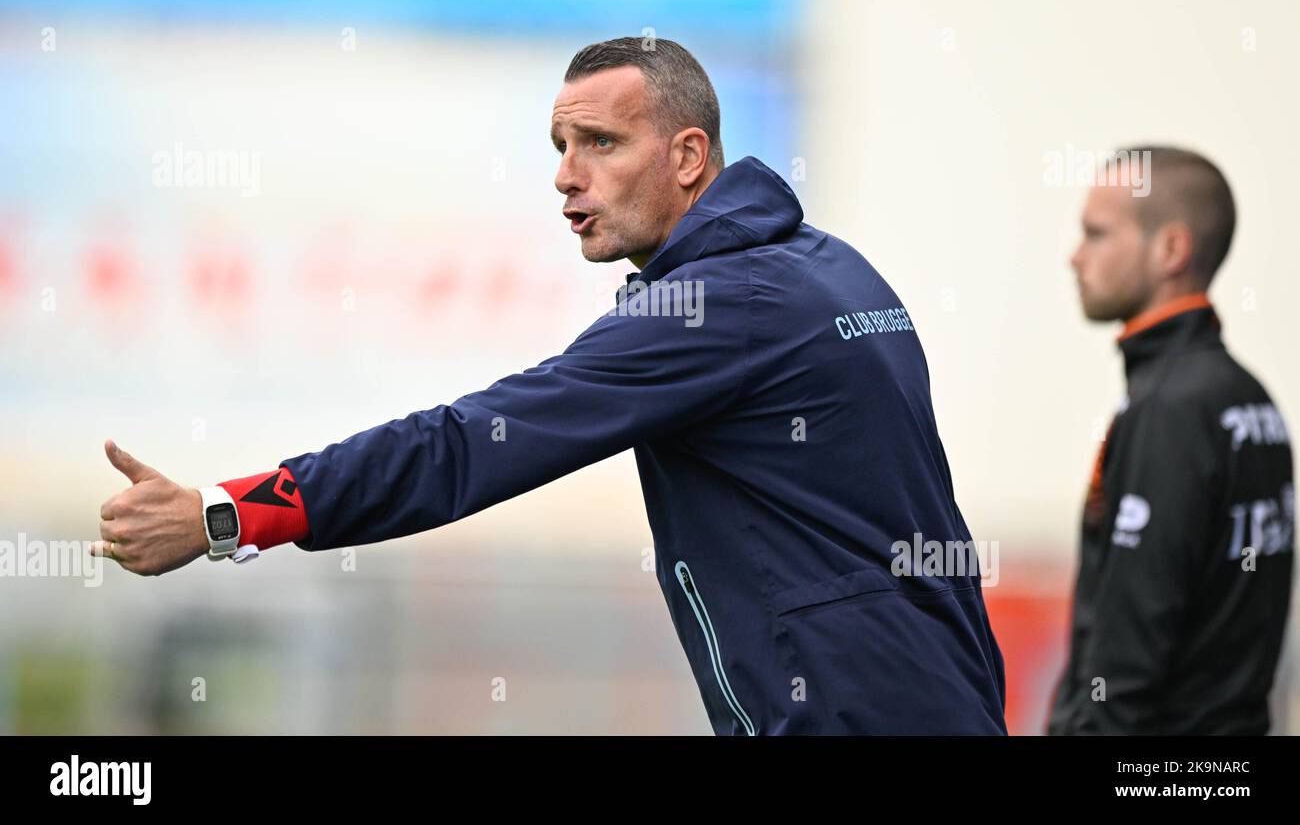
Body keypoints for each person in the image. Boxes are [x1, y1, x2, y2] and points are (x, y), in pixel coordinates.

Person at [94, 37, 1006, 735]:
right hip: (944, 690)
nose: (566, 176)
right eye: (561, 144)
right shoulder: (830, 266)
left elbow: (470, 444)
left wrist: (228, 514)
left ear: (689, 157)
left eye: (601, 143)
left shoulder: (714, 306)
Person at [1050, 146, 1294, 734]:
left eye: (1097, 234)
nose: (1074, 256)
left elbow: (1125, 671)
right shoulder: (1253, 399)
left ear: (1172, 250)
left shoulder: (1168, 410)